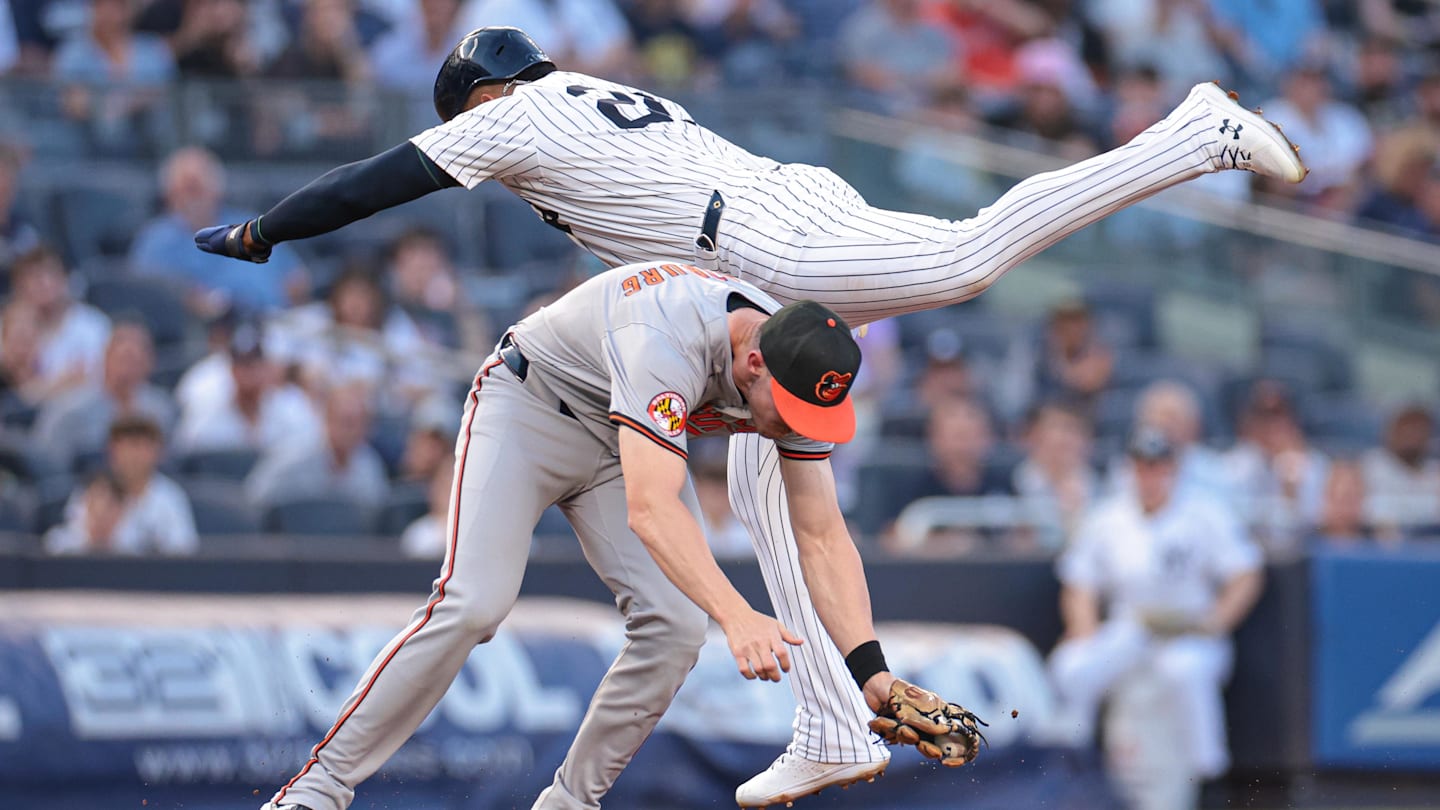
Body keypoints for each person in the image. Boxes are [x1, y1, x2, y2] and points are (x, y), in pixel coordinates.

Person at [195, 24, 1308, 806]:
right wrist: (871, 665)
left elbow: (382, 178)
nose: (470, 143)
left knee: (965, 260)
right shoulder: (589, 94)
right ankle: (832, 717)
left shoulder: (508, 114)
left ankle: (1190, 138)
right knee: (774, 468)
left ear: (479, 100)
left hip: (759, 248)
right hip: (771, 221)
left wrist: (266, 229)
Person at [258, 263, 982, 810]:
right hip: (532, 407)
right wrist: (738, 615)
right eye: (789, 409)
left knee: (674, 630)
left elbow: (821, 535)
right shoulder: (669, 333)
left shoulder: (795, 371)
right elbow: (652, 508)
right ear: (753, 361)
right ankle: (316, 791)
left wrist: (872, 675)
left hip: (625, 443)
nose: (796, 426)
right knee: (474, 602)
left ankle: (569, 805)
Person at [1049, 428, 1263, 793]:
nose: (1150, 475)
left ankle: (1211, 779)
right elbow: (1079, 581)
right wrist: (1084, 630)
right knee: (1071, 667)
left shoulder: (1204, 512)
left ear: (1172, 469)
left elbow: (1246, 573)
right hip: (1131, 628)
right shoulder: (1109, 516)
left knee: (1185, 672)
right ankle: (1070, 765)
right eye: (1142, 466)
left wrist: (1217, 620)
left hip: (1188, 630)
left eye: (1157, 466)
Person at [129, 147, 305, 312]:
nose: (193, 198)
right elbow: (149, 297)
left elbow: (296, 278)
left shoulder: (251, 224)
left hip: (272, 321)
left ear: (217, 190)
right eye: (186, 189)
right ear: (169, 195)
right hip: (203, 329)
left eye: (198, 188)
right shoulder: (156, 240)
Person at [45, 415, 198, 555]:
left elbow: (182, 550)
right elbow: (66, 542)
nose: (135, 455)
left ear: (158, 451)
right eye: (129, 446)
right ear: (112, 450)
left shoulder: (171, 497)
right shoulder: (92, 489)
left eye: (143, 447)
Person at [31, 320, 175, 467]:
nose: (128, 369)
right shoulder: (69, 411)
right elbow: (50, 465)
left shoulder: (160, 409)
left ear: (149, 364)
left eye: (136, 361)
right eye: (123, 359)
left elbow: (169, 461)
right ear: (105, 359)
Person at [172, 318, 322, 454]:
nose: (248, 374)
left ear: (265, 366)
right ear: (231, 369)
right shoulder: (209, 413)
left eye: (253, 364)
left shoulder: (290, 407)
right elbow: (187, 454)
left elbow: (312, 448)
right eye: (242, 365)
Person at [244, 382, 389, 511]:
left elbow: (377, 513)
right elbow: (254, 498)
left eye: (362, 423)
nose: (355, 431)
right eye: (347, 422)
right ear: (327, 420)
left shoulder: (369, 464)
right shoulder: (293, 458)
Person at [3, 246, 111, 399]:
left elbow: (101, 385)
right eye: (33, 277)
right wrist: (60, 383)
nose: (43, 283)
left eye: (49, 274)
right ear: (19, 286)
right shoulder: (7, 326)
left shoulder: (93, 326)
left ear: (65, 279)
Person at [1360, 404, 1440, 530]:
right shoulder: (1369, 466)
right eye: (1407, 429)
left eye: (1418, 430)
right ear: (1391, 433)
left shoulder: (1435, 473)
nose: (1412, 437)